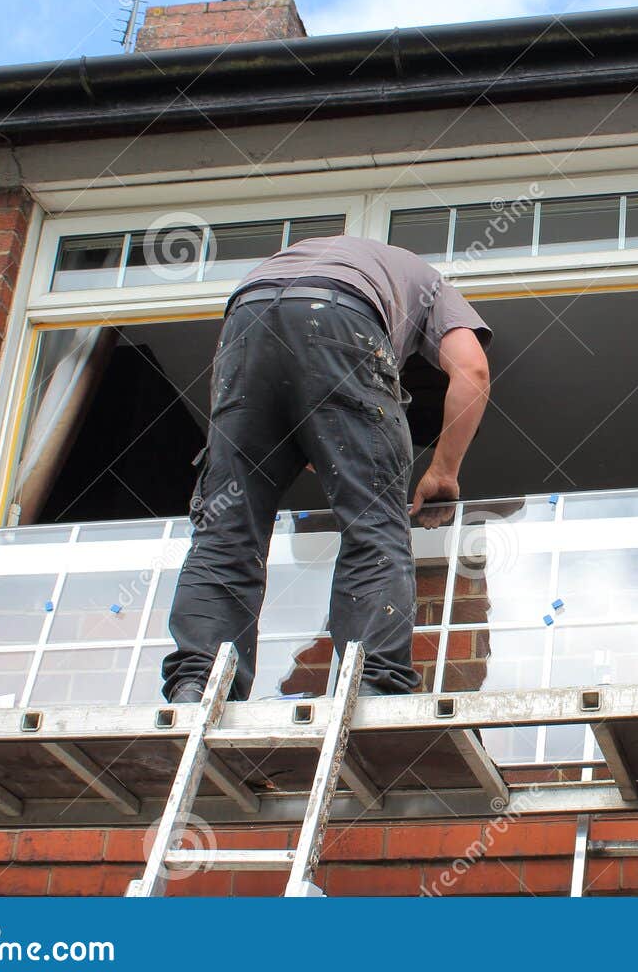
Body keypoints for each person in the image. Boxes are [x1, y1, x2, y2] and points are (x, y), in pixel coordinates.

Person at [161, 234, 491, 703]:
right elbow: (473, 371)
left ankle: (197, 683)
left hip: (246, 320)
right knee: (374, 523)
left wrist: (311, 435)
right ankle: (374, 684)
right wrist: (443, 469)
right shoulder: (431, 282)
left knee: (226, 530)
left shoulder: (306, 256)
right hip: (342, 316)